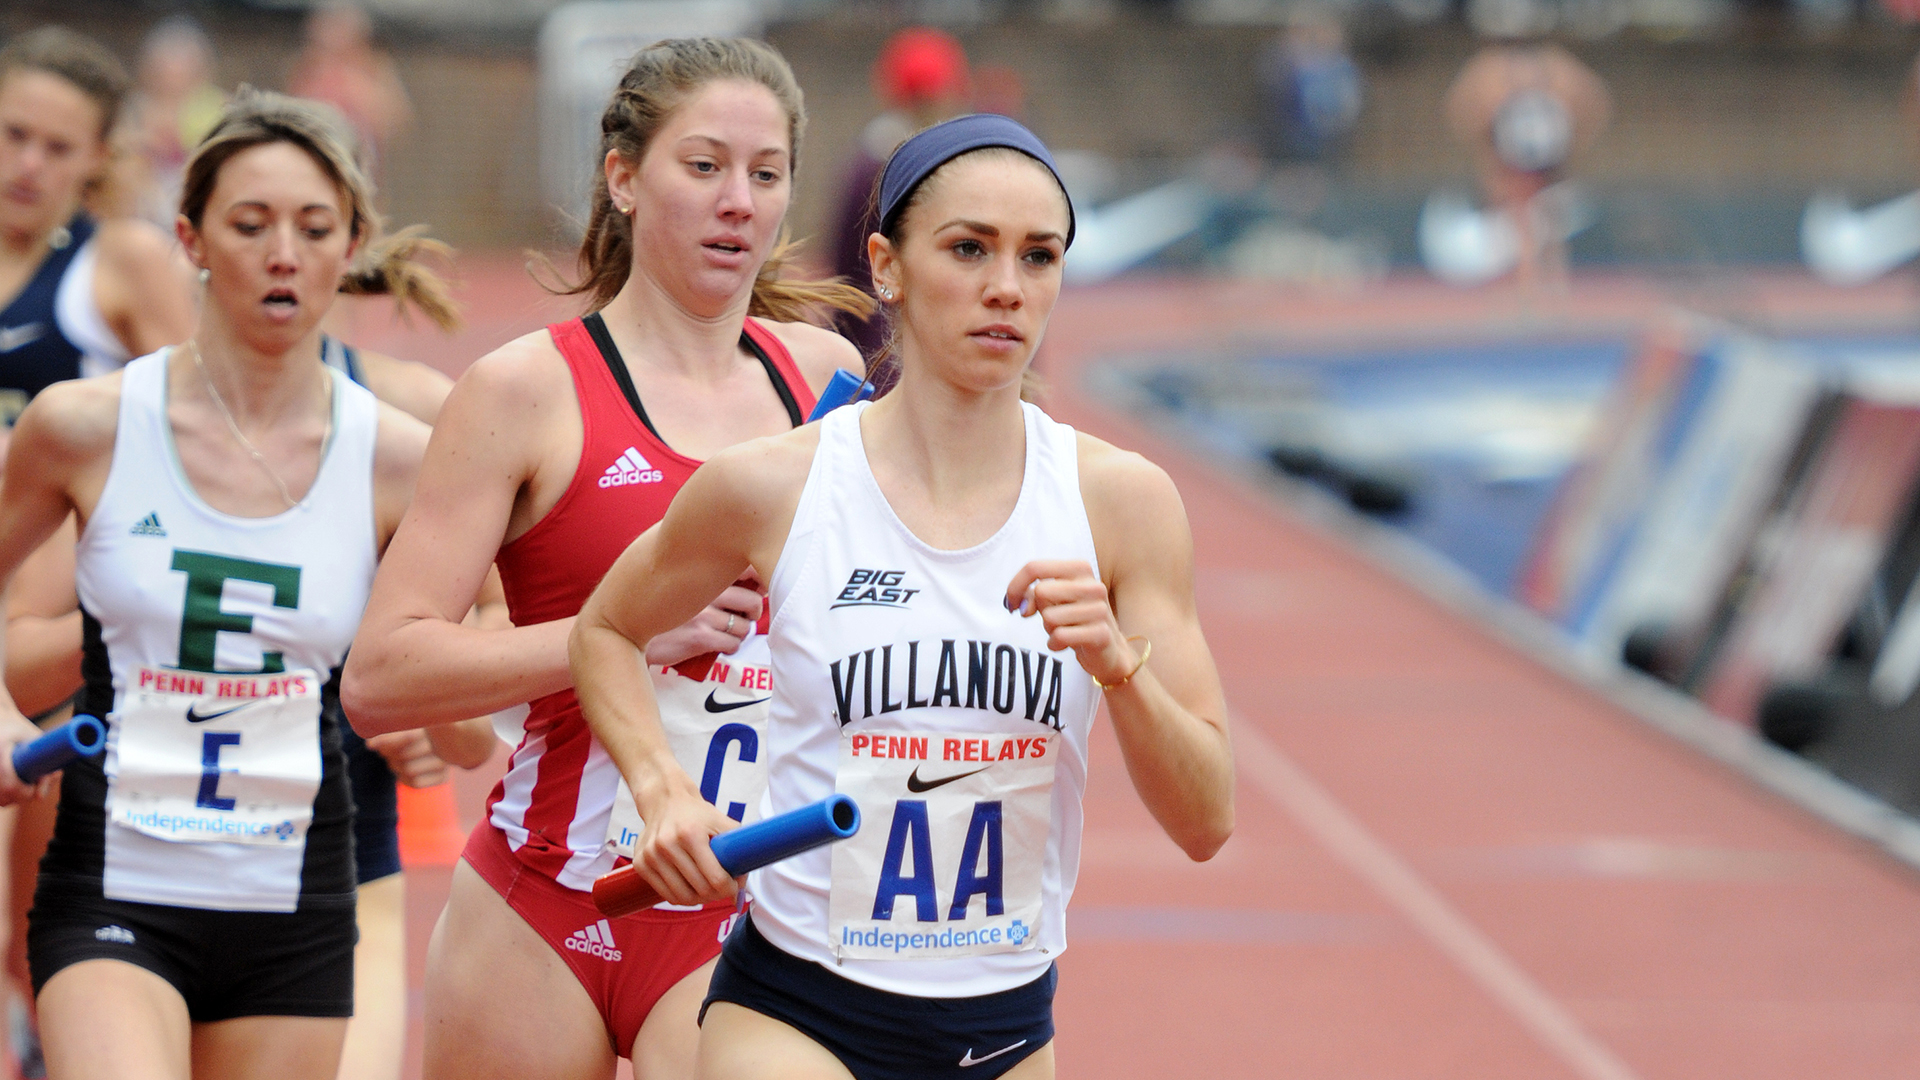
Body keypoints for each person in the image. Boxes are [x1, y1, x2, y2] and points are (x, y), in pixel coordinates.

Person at [569, 113, 1235, 1080]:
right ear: (886, 265)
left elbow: (1206, 821)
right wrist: (664, 790)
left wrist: (1120, 670)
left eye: (1038, 256)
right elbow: (605, 631)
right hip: (797, 1009)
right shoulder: (776, 485)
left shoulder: (1121, 504)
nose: (1006, 287)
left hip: (1004, 1022)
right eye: (969, 249)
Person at [340, 37, 868, 1080]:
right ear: (624, 179)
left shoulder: (829, 382)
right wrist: (612, 639)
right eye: (704, 165)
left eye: (766, 175)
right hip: (542, 898)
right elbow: (380, 678)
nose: (738, 202)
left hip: (744, 900)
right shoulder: (523, 392)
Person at [0, 86, 455, 1079]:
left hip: (294, 903)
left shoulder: (405, 458)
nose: (282, 252)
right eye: (248, 225)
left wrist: (436, 704)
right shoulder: (87, 427)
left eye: (313, 227)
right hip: (116, 884)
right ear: (191, 240)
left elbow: (478, 685)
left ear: (352, 244)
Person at [827, 28, 970, 361]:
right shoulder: (878, 167)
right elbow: (848, 273)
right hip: (889, 343)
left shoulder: (866, 163)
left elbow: (843, 270)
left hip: (880, 339)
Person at [1444, 37, 1609, 289]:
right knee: (1516, 217)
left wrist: (1574, 140)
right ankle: (1527, 280)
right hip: (1512, 154)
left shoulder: (1558, 70)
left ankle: (1547, 281)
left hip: (1547, 154)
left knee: (1548, 216)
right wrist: (1486, 142)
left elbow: (1594, 102)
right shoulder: (1492, 72)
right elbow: (1463, 108)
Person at [286, 3, 412, 184]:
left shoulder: (372, 72)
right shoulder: (307, 72)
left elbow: (397, 121)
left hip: (359, 176)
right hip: (314, 172)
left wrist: (357, 90)